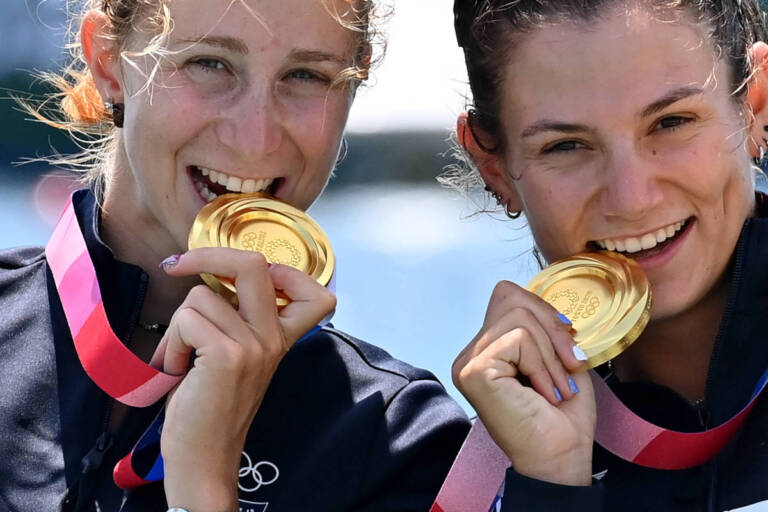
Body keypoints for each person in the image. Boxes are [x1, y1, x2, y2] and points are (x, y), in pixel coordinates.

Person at [0, 1, 470, 511]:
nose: (256, 139)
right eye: (210, 64)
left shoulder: (400, 440)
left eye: (306, 75)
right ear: (109, 62)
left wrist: (203, 485)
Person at [447, 0, 768, 510]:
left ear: (755, 104)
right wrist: (550, 486)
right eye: (565, 146)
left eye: (671, 122)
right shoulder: (482, 472)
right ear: (494, 167)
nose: (631, 199)